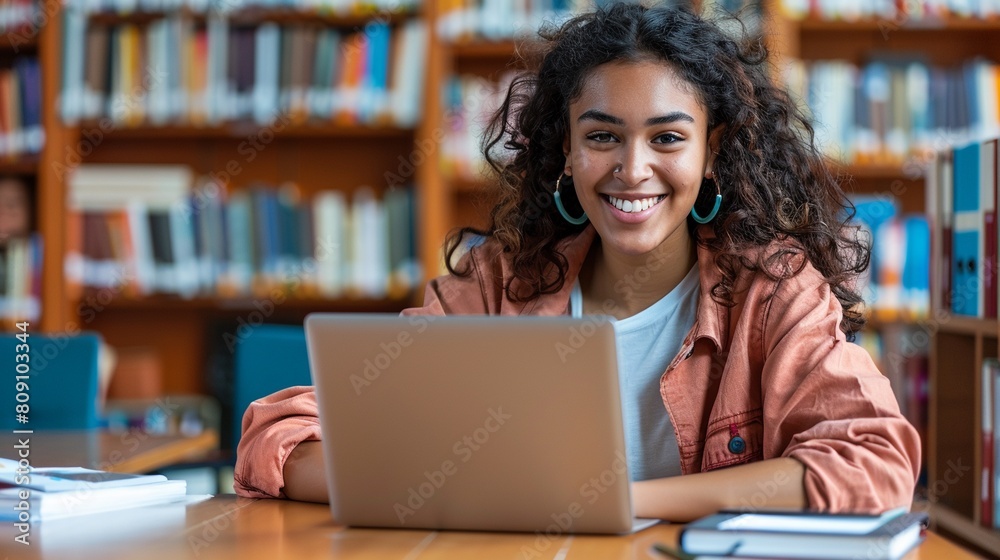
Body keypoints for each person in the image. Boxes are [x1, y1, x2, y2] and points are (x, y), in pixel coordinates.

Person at [234, 3, 920, 521]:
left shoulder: (773, 291)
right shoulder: (501, 283)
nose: (632, 169)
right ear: (565, 149)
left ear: (713, 153)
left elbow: (875, 462)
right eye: (602, 136)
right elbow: (278, 435)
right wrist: (460, 491)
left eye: (667, 138)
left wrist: (613, 499)